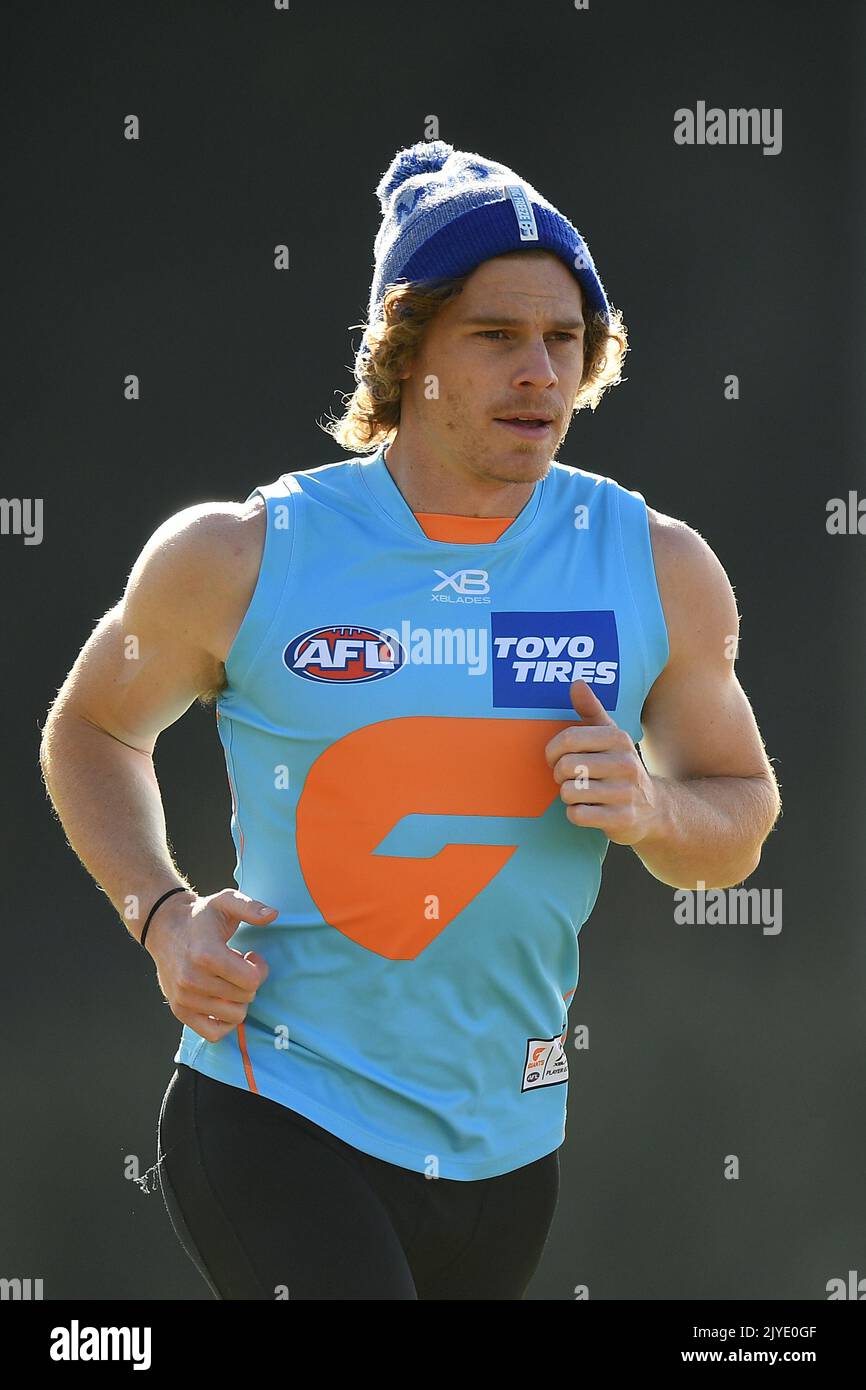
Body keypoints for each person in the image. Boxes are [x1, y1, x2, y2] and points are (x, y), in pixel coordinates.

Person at [39, 140, 780, 1300]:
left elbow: (735, 823)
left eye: (564, 340)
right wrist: (164, 916)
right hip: (275, 1110)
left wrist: (649, 805)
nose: (539, 371)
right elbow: (91, 730)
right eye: (494, 337)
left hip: (509, 1147)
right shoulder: (239, 554)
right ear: (405, 351)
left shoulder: (657, 567)